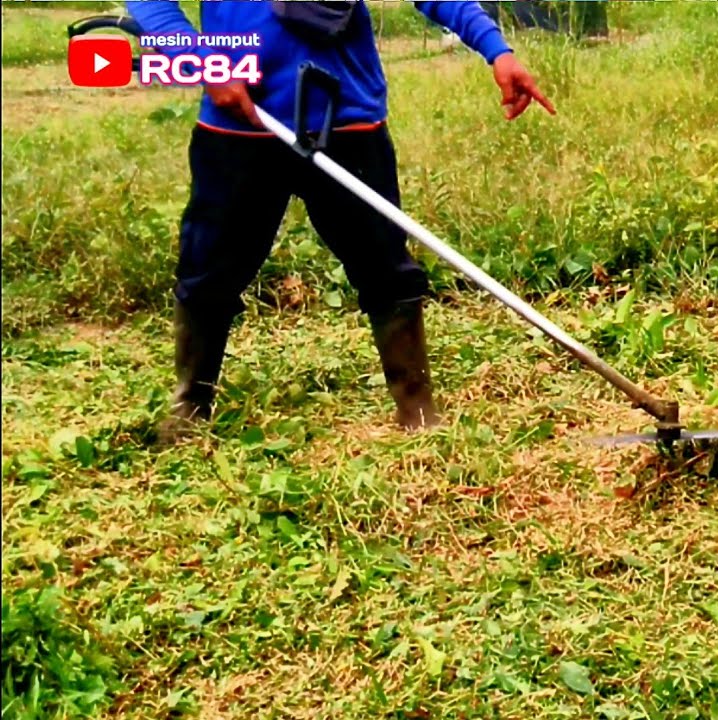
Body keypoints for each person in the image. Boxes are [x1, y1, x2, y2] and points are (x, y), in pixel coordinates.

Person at [123, 1, 555, 442]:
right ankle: (190, 407)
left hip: (345, 117)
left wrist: (496, 50)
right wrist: (202, 64)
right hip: (238, 124)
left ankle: (416, 407)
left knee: (386, 271)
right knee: (207, 273)